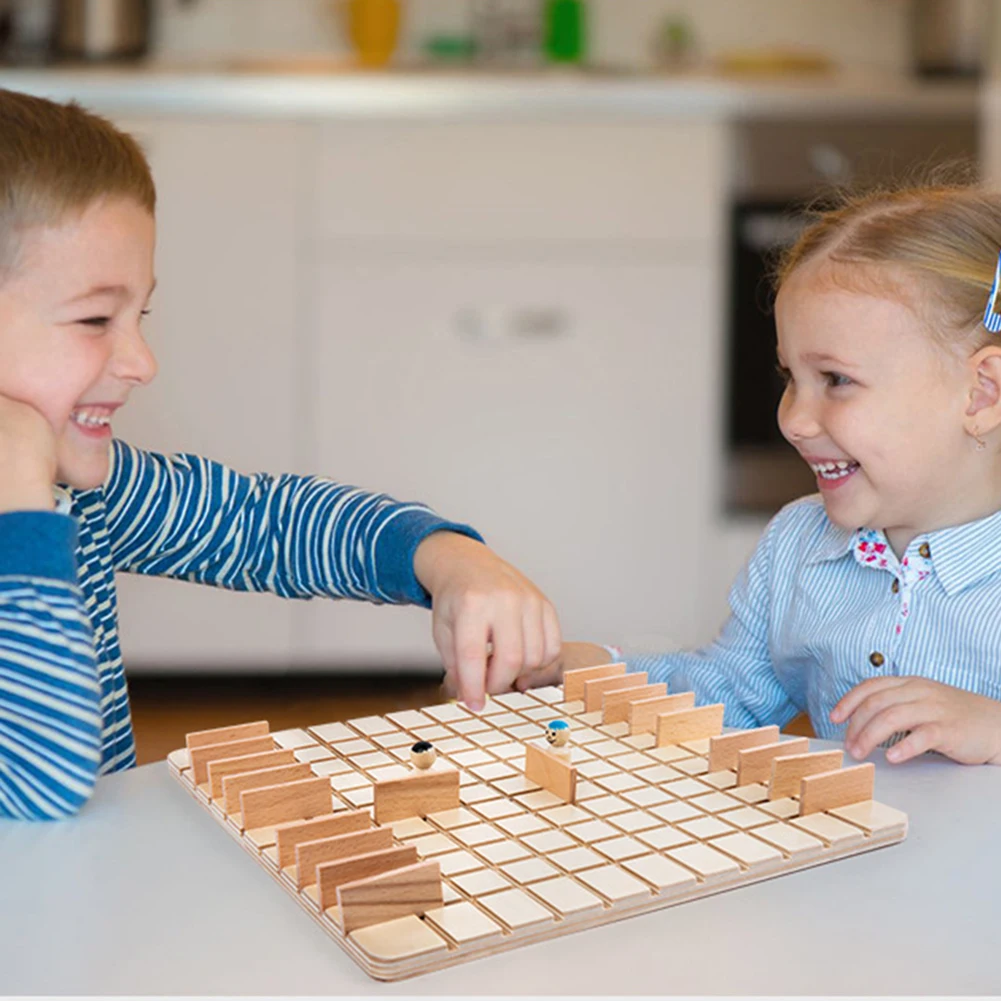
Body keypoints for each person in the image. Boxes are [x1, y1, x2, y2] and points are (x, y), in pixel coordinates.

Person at [0, 88, 561, 820]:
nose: (141, 360)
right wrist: (15, 490)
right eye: (95, 318)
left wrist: (446, 557)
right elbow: (43, 785)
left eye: (140, 315)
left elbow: (263, 521)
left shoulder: (82, 490)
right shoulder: (31, 489)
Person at [516, 180, 1001, 767]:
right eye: (790, 379)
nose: (794, 420)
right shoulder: (798, 546)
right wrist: (586, 672)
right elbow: (725, 694)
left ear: (983, 392)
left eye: (836, 381)